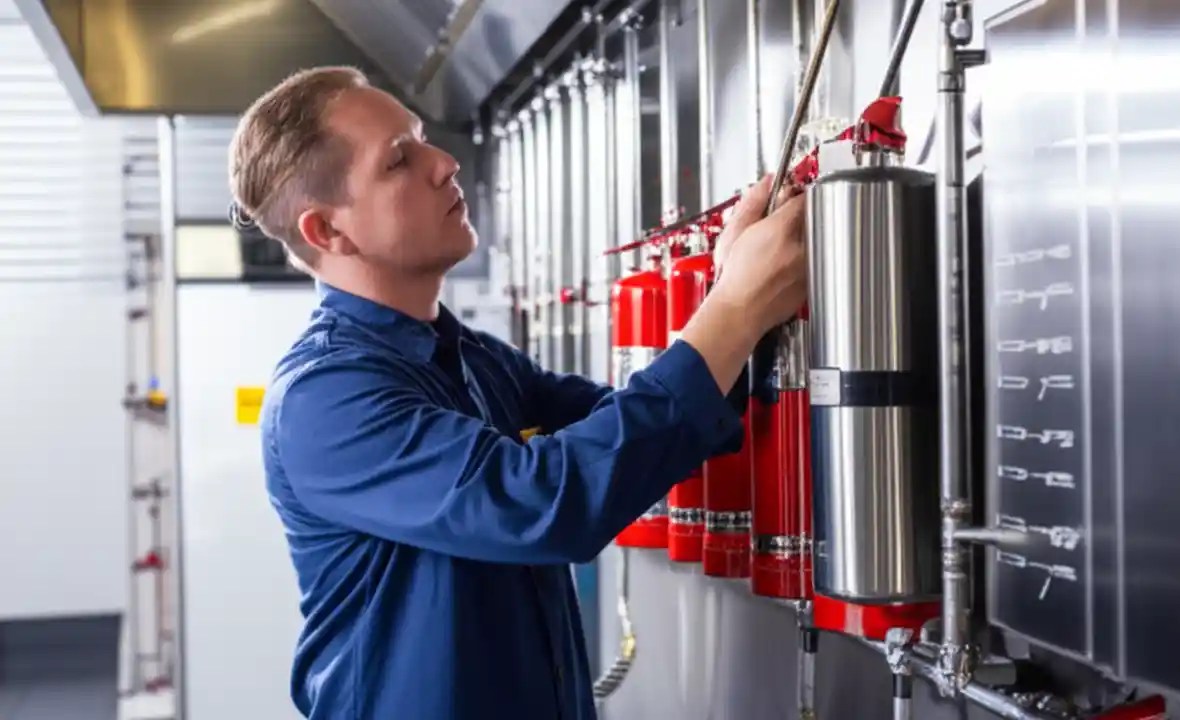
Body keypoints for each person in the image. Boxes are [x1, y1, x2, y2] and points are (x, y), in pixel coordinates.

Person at [229, 65, 808, 720]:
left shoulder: (467, 357)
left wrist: (736, 286)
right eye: (399, 161)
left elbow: (634, 426)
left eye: (423, 140)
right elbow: (547, 501)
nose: (445, 163)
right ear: (327, 232)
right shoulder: (326, 398)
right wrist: (733, 308)